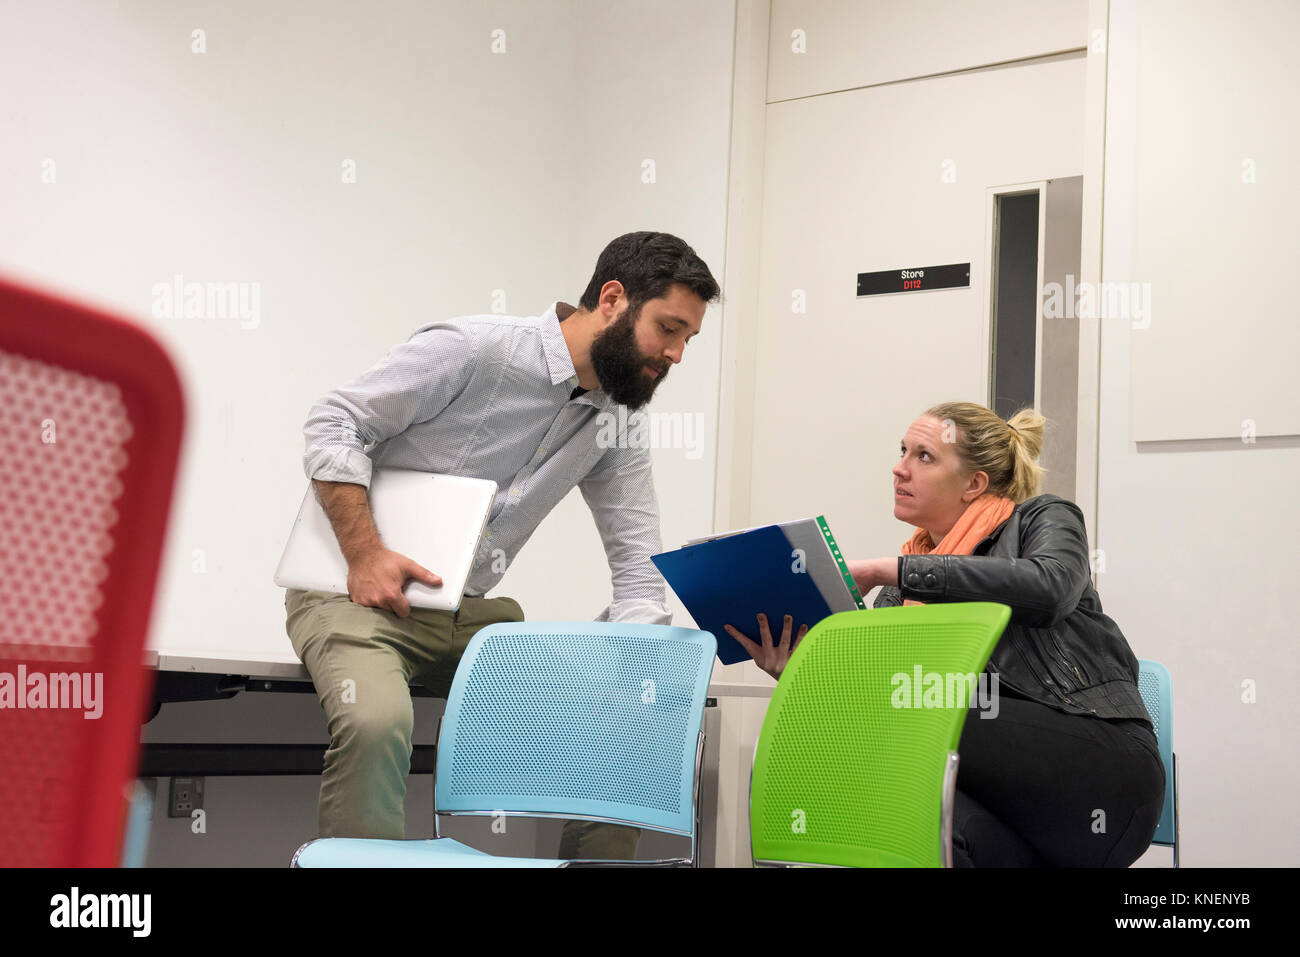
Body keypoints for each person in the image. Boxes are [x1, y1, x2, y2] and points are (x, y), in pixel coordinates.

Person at [285, 231, 719, 859]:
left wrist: (642, 672)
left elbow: (638, 565)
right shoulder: (474, 350)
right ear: (614, 299)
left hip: (469, 617)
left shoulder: (618, 415)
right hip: (353, 603)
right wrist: (364, 553)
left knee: (624, 729)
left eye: (689, 340)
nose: (677, 354)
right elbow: (333, 421)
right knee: (377, 721)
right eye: (668, 329)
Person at [725, 401, 1165, 867]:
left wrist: (886, 570)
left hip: (1102, 778)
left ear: (974, 484)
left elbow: (1050, 588)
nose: (899, 469)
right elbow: (868, 706)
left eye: (924, 456)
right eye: (902, 452)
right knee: (913, 816)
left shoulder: (1042, 519)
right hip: (1017, 824)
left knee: (917, 710)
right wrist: (798, 672)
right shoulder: (897, 596)